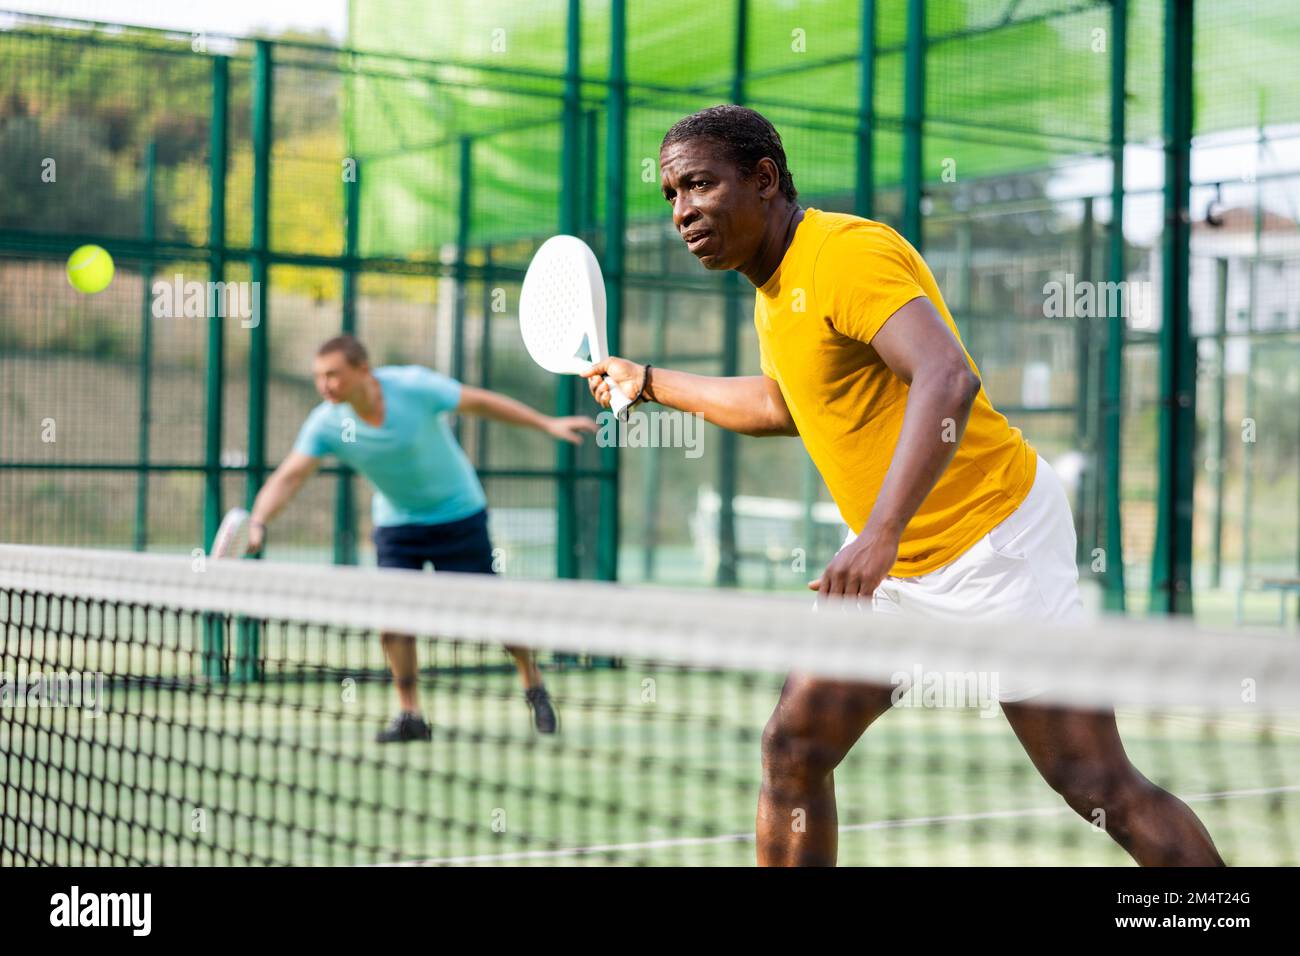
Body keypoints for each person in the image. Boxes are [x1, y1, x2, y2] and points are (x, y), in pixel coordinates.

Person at [584, 104, 1222, 866]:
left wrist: (879, 534)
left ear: (764, 179)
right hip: (894, 567)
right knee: (794, 746)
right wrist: (649, 381)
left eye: (698, 185)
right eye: (671, 195)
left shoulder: (842, 255)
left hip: (994, 541)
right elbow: (784, 404)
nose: (683, 211)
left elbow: (947, 376)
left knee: (1094, 784)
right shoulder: (776, 286)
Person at [250, 334, 597, 743]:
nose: (325, 386)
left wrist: (545, 423)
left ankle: (532, 684)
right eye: (318, 377)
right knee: (393, 621)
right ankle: (410, 715)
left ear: (363, 369)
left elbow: (480, 402)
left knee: (494, 612)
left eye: (333, 375)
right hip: (398, 526)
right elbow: (289, 475)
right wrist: (258, 521)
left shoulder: (413, 387)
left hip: (458, 514)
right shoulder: (327, 422)